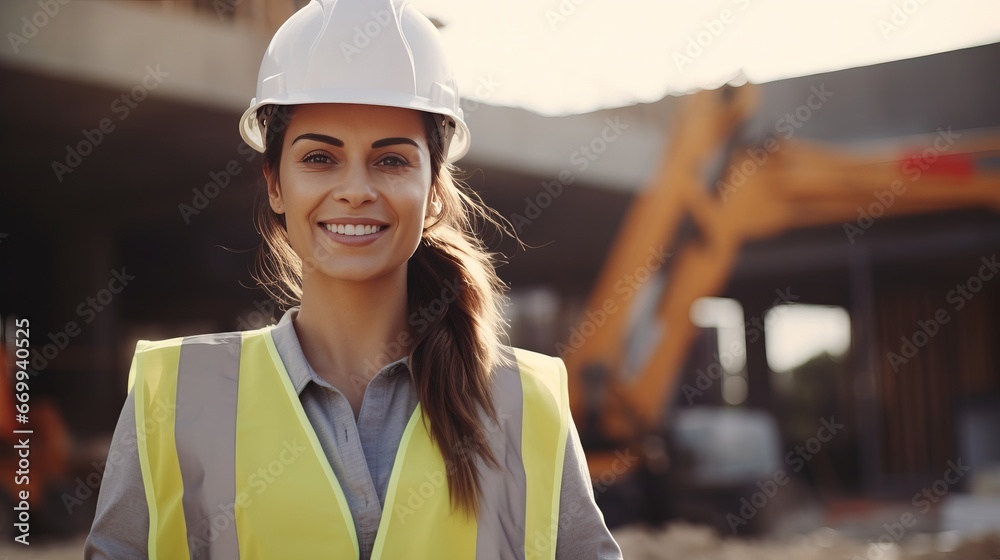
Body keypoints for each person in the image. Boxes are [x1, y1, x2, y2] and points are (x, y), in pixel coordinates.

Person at [85, 0, 623, 558]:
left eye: (391, 160)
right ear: (275, 184)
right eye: (320, 158)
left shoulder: (525, 405)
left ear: (435, 188)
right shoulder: (174, 397)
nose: (356, 189)